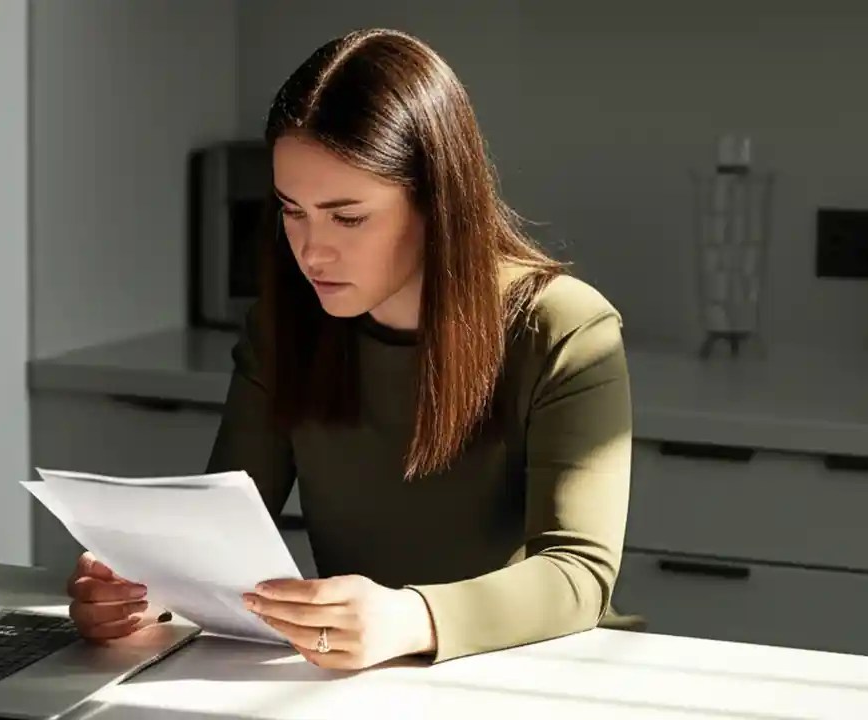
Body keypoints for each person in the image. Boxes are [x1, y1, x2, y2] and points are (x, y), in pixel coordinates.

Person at [66, 28, 634, 671]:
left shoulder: (562, 326)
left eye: (348, 216)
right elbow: (218, 537)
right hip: (361, 686)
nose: (312, 251)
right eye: (291, 210)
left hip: (537, 676)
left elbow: (579, 575)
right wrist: (147, 593)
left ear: (436, 201)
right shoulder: (284, 327)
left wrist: (411, 617)